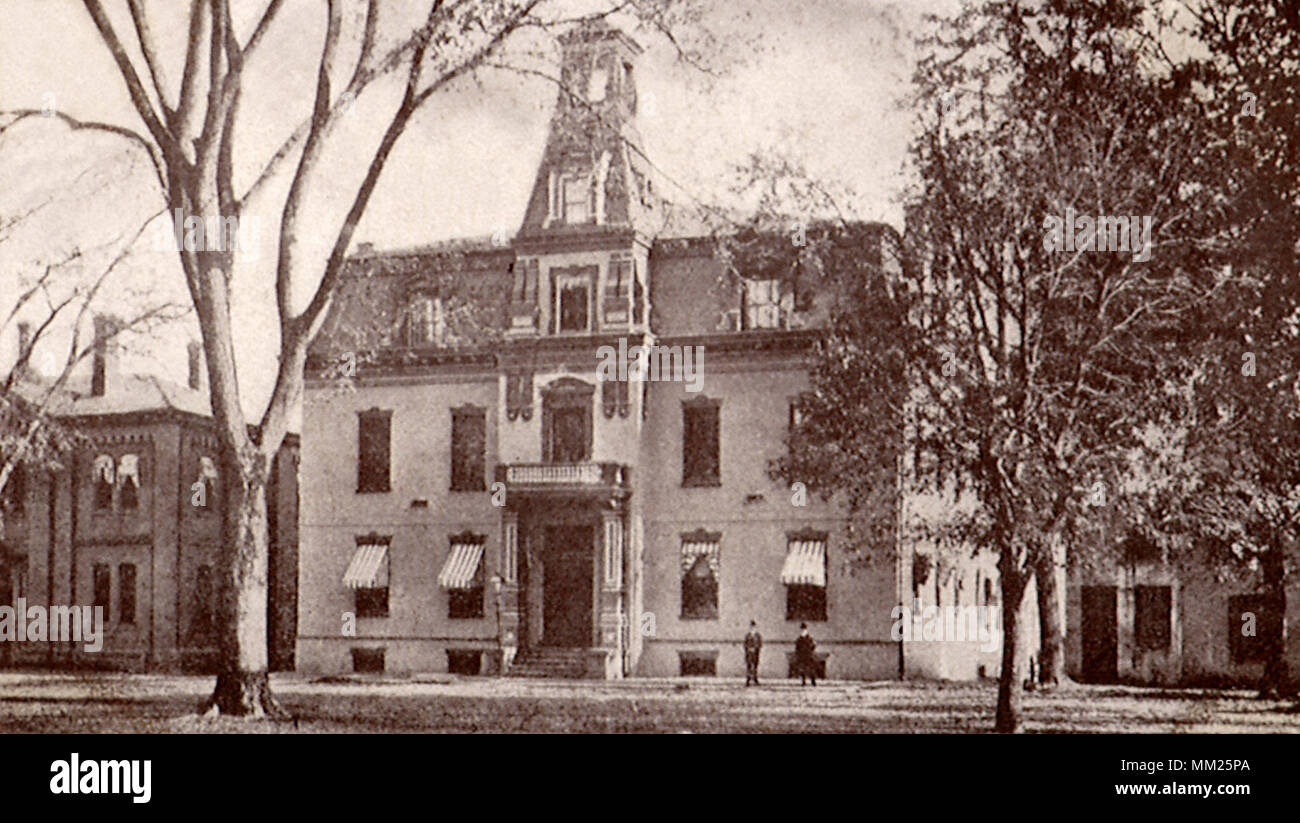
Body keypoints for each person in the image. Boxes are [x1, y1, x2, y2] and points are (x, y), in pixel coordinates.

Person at [795, 623, 817, 687]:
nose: (803, 630)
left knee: (809, 668)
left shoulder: (808, 638)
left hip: (807, 654)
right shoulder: (801, 638)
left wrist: (810, 651)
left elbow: (813, 645)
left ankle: (812, 681)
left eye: (804, 629)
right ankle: (804, 681)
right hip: (803, 655)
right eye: (802, 629)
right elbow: (797, 647)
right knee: (803, 668)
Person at [743, 621, 762, 686]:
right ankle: (748, 680)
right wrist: (749, 649)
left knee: (755, 667)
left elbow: (760, 644)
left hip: (756, 653)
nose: (752, 628)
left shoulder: (758, 636)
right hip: (749, 654)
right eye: (751, 627)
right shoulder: (747, 636)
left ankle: (755, 679)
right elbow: (745, 644)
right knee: (749, 667)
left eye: (754, 627)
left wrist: (755, 649)